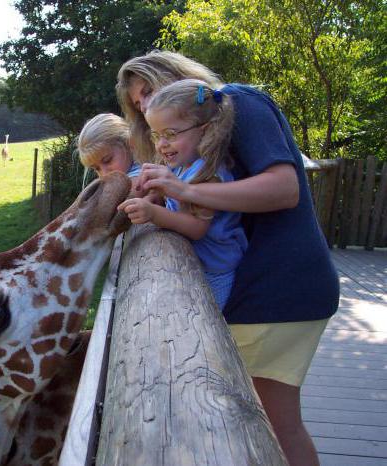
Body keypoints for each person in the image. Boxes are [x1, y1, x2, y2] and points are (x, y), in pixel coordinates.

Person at [116, 50, 339, 466]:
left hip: (279, 290)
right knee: (272, 423)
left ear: (176, 77)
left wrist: (184, 192)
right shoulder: (199, 148)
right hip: (264, 292)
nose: (145, 105)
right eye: (137, 104)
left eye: (147, 91)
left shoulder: (239, 101)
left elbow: (283, 188)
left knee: (275, 425)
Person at [118, 79, 247, 311]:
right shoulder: (181, 166)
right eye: (156, 136)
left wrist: (152, 213)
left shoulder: (207, 173)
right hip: (200, 264)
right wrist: (152, 197)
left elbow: (196, 228)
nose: (162, 145)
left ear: (205, 130)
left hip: (215, 271)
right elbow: (174, 202)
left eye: (170, 134)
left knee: (204, 324)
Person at [77, 113, 141, 178]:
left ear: (128, 143)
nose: (105, 173)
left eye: (107, 160)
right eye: (97, 168)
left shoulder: (139, 178)